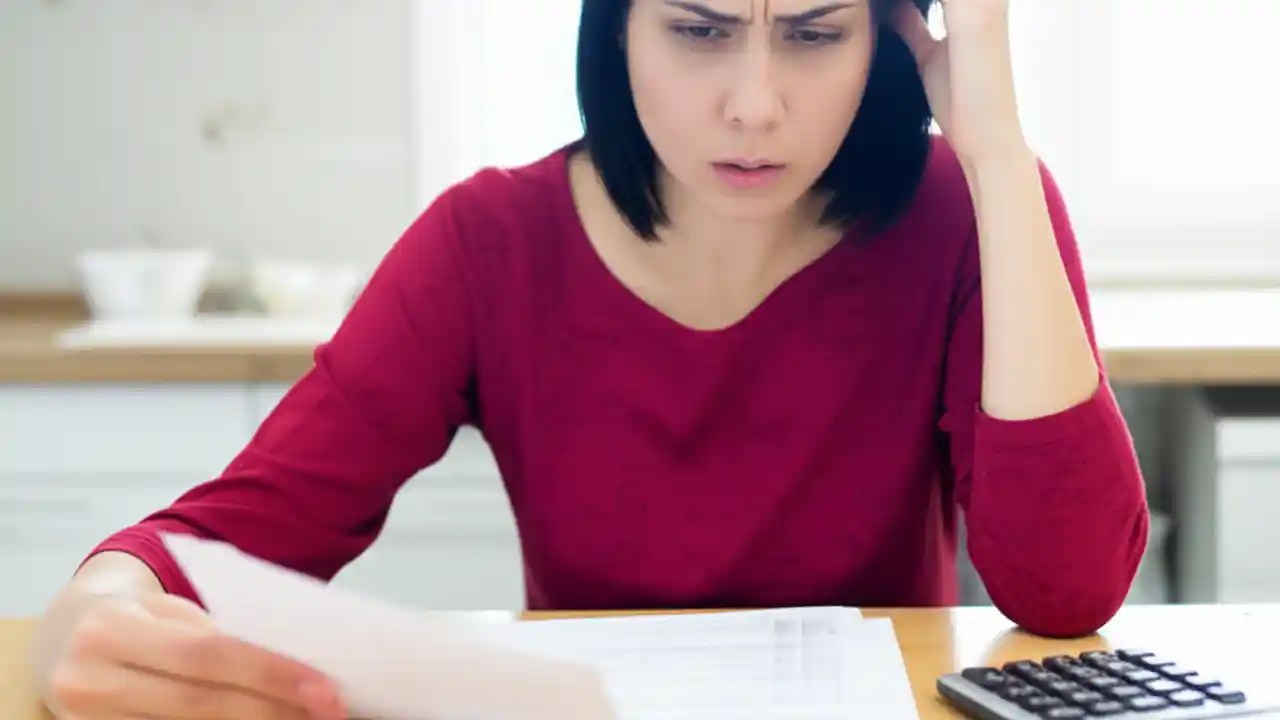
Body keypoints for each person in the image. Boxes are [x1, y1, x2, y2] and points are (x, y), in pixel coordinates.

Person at [31, 0, 1150, 717]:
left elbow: (1063, 595)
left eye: (813, 33)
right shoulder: (489, 243)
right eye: (698, 28)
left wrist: (997, 155)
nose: (753, 105)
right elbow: (226, 533)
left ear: (891, 40)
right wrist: (98, 600)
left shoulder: (960, 213)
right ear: (614, 29)